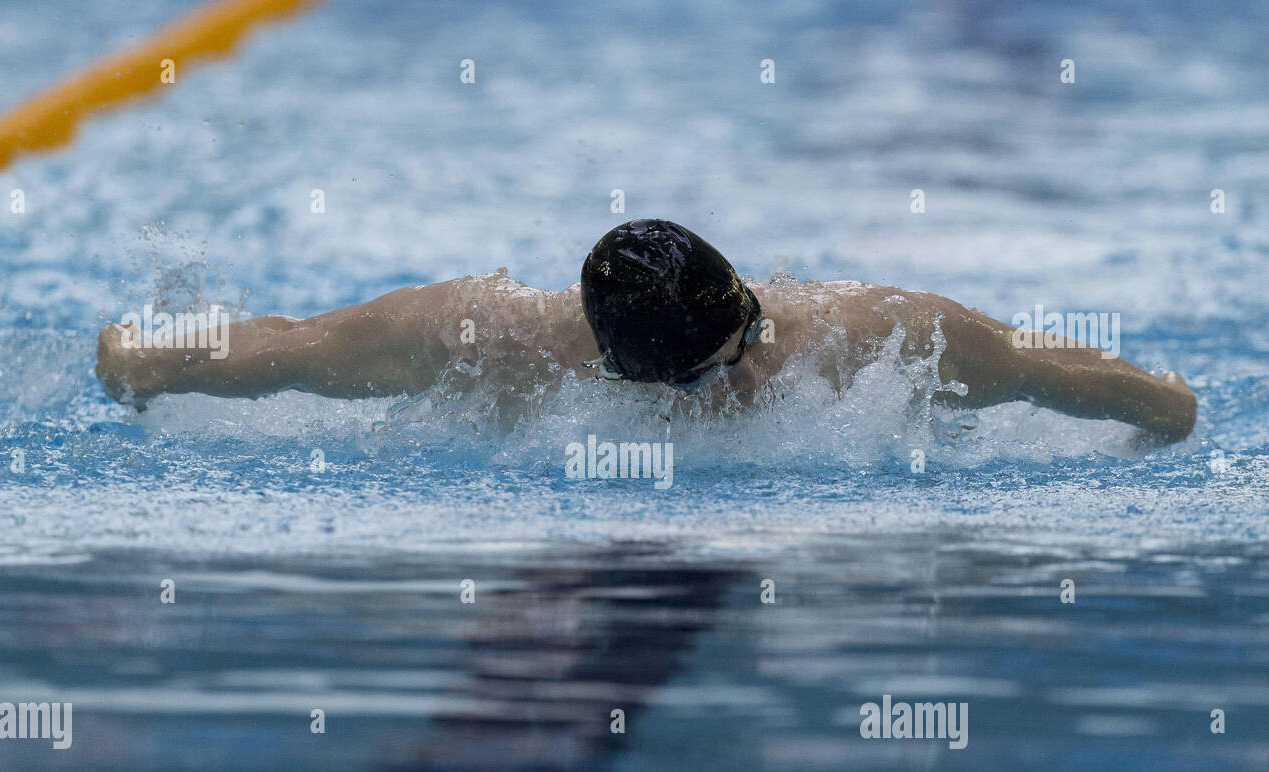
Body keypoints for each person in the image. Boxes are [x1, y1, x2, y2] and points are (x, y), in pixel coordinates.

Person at [96, 219, 1198, 443]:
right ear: (617, 370)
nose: (751, 384)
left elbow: (1080, 376)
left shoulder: (873, 336)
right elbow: (290, 350)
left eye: (749, 345)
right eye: (704, 383)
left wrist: (1162, 408)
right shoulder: (492, 338)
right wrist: (138, 362)